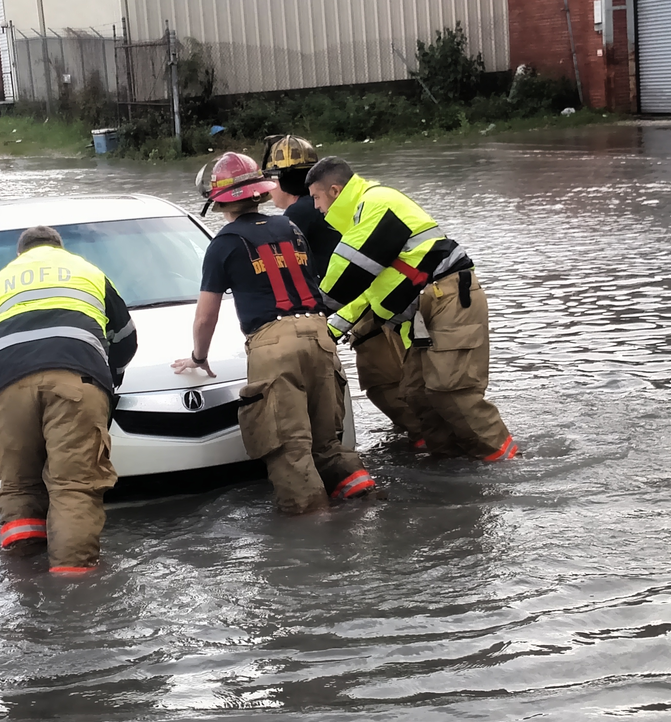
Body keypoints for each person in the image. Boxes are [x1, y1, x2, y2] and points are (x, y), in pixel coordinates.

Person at [173, 151, 379, 514]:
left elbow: (206, 317)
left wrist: (198, 358)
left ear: (219, 200)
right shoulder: (291, 228)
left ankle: (311, 541)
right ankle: (366, 502)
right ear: (261, 192)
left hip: (272, 342)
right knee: (328, 443)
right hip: (320, 334)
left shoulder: (223, 244)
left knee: (289, 448)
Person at [306, 155, 516, 462]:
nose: (315, 207)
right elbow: (365, 291)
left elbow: (347, 274)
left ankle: (507, 463)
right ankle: (453, 465)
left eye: (316, 198)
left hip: (450, 297)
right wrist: (327, 327)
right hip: (430, 307)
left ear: (335, 191)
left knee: (452, 391)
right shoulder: (361, 217)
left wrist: (308, 313)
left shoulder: (376, 203)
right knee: (418, 394)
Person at [0, 225, 137, 573]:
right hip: (75, 381)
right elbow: (126, 339)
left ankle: (23, 577)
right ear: (59, 247)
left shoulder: (0, 281)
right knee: (72, 487)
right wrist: (109, 383)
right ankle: (72, 589)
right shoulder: (88, 272)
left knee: (17, 485)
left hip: (6, 387)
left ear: (20, 254)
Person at [262, 135, 418, 438]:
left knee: (384, 386)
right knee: (404, 384)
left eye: (271, 180)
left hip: (359, 311)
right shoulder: (334, 205)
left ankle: (427, 443)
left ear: (283, 180)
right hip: (377, 305)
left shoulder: (296, 217)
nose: (268, 189)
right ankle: (423, 441)